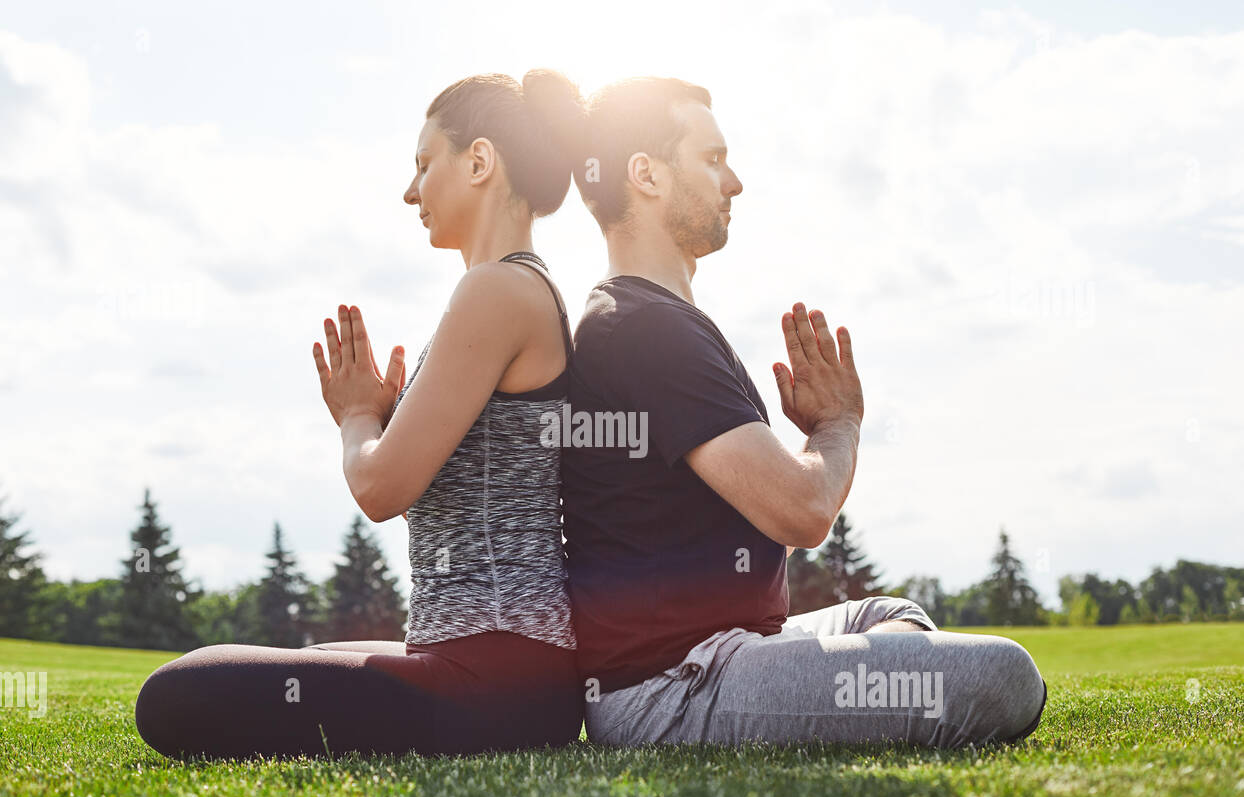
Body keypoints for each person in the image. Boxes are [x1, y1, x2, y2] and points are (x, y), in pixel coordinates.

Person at [559, 76, 1048, 749]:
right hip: (674, 689)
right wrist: (837, 424)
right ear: (646, 175)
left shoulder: (648, 317)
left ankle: (864, 703)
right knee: (1007, 676)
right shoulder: (643, 327)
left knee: (889, 611)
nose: (733, 182)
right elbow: (802, 510)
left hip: (735, 651)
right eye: (711, 159)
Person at [134, 70, 589, 760]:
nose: (411, 192)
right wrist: (384, 423)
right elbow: (442, 505)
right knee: (309, 656)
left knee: (175, 693)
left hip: (497, 680)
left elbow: (378, 490)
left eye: (423, 164)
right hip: (500, 668)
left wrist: (355, 420)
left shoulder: (496, 291)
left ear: (479, 161)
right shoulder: (515, 289)